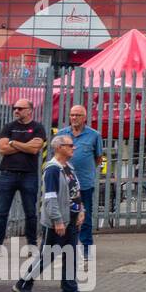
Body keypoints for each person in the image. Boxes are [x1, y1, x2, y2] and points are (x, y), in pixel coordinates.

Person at [14, 134, 88, 292]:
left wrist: (81, 209)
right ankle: (23, 284)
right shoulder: (52, 169)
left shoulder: (68, 166)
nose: (73, 148)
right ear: (59, 148)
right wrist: (57, 220)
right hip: (58, 221)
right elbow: (50, 198)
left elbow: (74, 191)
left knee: (70, 254)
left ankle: (69, 289)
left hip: (71, 218)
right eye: (69, 145)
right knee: (46, 256)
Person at [0, 98, 47, 253]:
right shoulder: (8, 127)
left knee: (30, 212)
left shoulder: (38, 128)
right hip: (7, 173)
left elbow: (34, 149)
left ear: (29, 110)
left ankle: (32, 245)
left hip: (28, 175)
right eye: (14, 108)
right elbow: (2, 149)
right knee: (1, 212)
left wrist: (12, 142)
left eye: (19, 108)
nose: (16, 110)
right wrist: (24, 145)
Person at [65, 105, 102, 265]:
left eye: (78, 115)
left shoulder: (94, 135)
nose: (74, 118)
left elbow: (98, 158)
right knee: (65, 215)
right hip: (65, 183)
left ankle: (86, 249)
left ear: (84, 117)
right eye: (72, 115)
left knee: (85, 216)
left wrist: (86, 170)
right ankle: (66, 247)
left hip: (85, 183)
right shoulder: (62, 135)